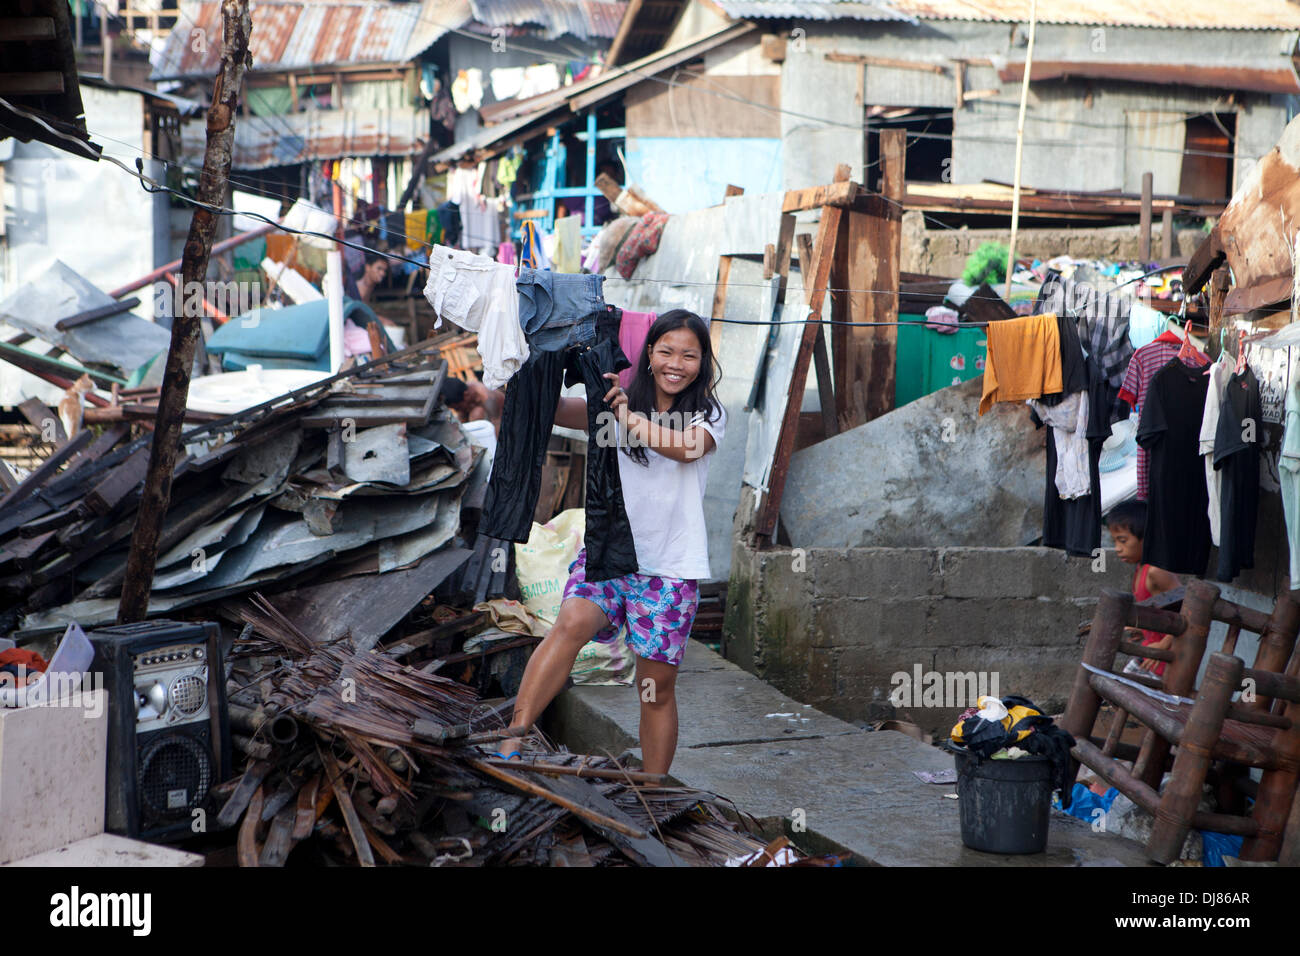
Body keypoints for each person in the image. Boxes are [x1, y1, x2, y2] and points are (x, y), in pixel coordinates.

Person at [494, 310, 726, 775]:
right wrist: (515, 364)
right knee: (571, 623)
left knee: (655, 688)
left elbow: (687, 448)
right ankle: (510, 742)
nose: (675, 363)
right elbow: (556, 410)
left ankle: (655, 788)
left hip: (669, 569)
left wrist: (629, 419)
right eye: (665, 352)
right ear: (648, 354)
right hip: (609, 551)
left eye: (688, 355)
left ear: (703, 362)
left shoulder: (708, 413)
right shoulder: (614, 402)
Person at [1105, 501, 1179, 675]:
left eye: (1123, 541)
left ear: (1146, 538)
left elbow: (1189, 616)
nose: (1117, 549)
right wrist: (1143, 628)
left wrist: (1162, 645)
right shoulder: (1141, 569)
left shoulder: (1156, 571)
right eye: (1115, 541)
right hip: (1149, 655)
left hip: (1162, 661)